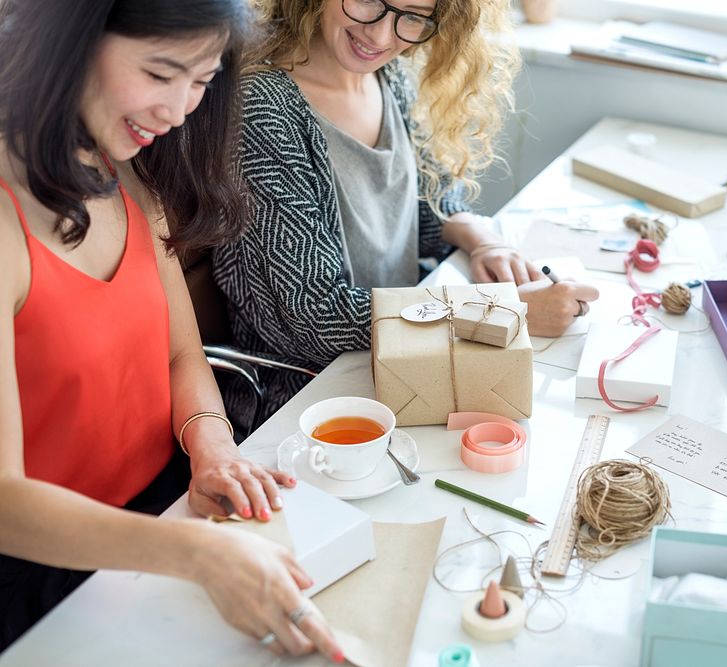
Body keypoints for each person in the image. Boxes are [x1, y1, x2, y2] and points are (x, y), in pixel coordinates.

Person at [0, 1, 341, 661]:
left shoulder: (123, 170)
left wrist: (212, 445)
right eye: (160, 73)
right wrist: (197, 552)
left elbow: (182, 354)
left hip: (163, 514)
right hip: (45, 569)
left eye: (201, 80)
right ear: (70, 42)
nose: (180, 108)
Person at [212, 0, 600, 418]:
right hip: (306, 397)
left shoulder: (386, 74)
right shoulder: (262, 108)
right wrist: (505, 313)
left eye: (414, 16)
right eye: (367, 1)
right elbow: (314, 320)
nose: (380, 36)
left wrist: (482, 240)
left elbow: (419, 200)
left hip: (401, 366)